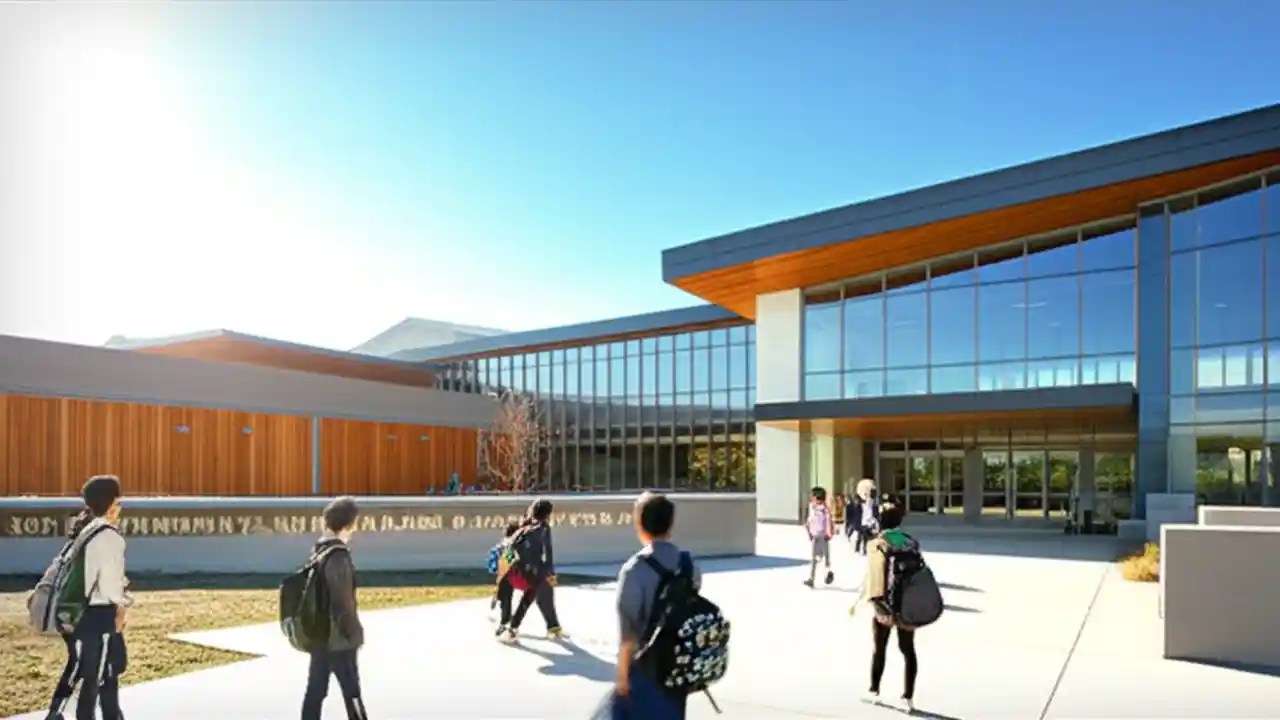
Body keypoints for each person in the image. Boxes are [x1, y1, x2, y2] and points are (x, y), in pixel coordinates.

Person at [600, 491, 701, 720]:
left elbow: (628, 633)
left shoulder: (634, 569)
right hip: (677, 668)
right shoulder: (688, 565)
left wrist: (623, 677)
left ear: (639, 523)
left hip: (645, 668)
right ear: (670, 524)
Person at [47, 475, 132, 720]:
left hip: (77, 612)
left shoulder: (87, 529)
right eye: (119, 501)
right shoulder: (109, 536)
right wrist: (123, 606)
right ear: (113, 502)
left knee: (101, 669)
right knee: (96, 675)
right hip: (98, 614)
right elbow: (109, 586)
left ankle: (109, 715)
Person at [301, 496, 369, 720]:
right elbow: (342, 603)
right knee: (353, 694)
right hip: (339, 639)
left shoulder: (319, 551)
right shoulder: (338, 556)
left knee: (315, 691)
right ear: (349, 524)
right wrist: (354, 634)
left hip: (319, 634)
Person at [851, 495, 918, 713]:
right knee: (908, 649)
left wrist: (871, 602)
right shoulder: (910, 541)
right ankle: (908, 697)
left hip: (886, 604)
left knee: (880, 648)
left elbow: (875, 577)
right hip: (908, 603)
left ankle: (874, 690)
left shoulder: (876, 544)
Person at [497, 499, 565, 643]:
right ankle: (513, 629)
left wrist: (507, 571)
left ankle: (506, 625)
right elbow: (548, 552)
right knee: (540, 592)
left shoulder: (523, 526)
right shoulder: (543, 527)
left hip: (512, 572)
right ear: (547, 514)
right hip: (528, 574)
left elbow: (508, 548)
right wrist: (550, 573)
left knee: (536, 593)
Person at [803, 486, 835, 588]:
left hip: (820, 536)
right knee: (821, 558)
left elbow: (827, 522)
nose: (812, 498)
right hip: (820, 536)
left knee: (817, 558)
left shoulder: (821, 510)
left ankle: (817, 577)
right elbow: (809, 522)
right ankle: (823, 574)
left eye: (813, 497)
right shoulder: (819, 509)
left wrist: (829, 534)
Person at [847, 479, 880, 556]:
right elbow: (854, 518)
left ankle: (866, 549)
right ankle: (859, 549)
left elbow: (875, 514)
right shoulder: (857, 506)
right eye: (872, 492)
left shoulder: (873, 505)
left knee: (869, 539)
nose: (873, 495)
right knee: (862, 538)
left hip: (870, 524)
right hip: (862, 525)